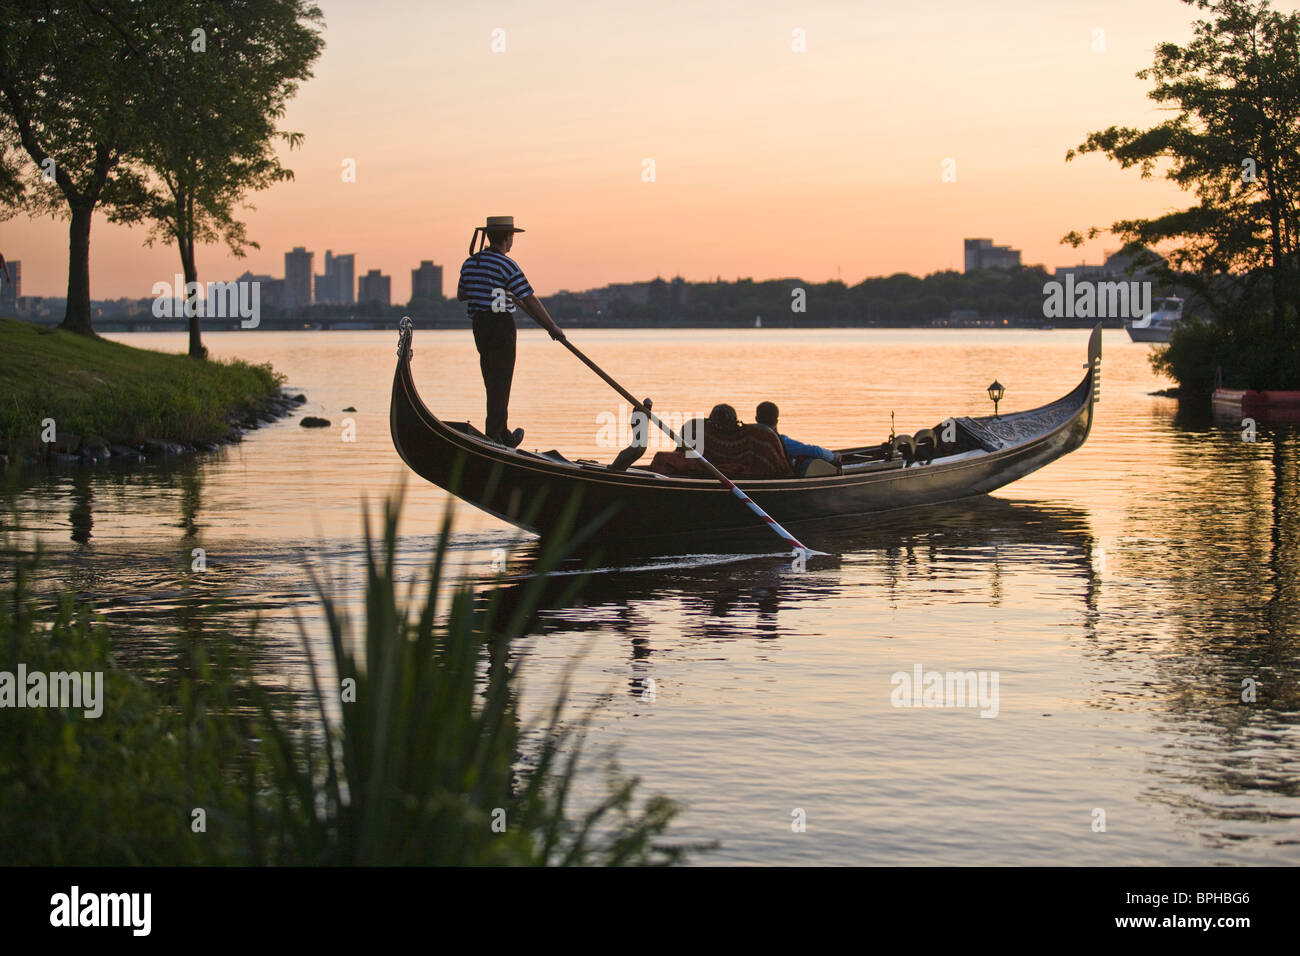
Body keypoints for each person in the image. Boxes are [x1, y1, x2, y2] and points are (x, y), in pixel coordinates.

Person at [457, 216, 565, 447]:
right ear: (507, 238)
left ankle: (499, 432)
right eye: (512, 237)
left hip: (480, 326)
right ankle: (497, 436)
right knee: (501, 381)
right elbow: (530, 299)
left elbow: (462, 294)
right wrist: (552, 327)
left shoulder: (470, 263)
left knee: (491, 379)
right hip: (501, 326)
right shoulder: (507, 265)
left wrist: (491, 287)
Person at [755, 401, 840, 474]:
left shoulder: (746, 439)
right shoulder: (780, 441)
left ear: (756, 419)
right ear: (776, 421)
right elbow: (814, 451)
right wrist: (833, 457)